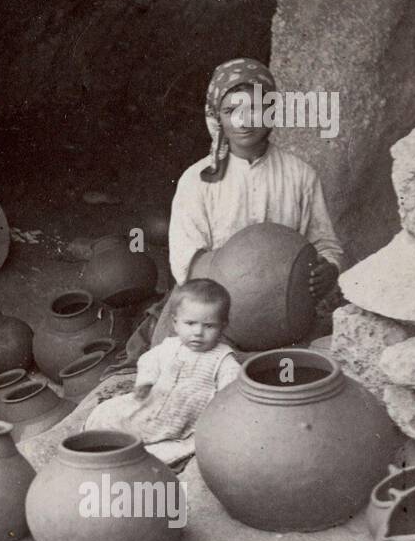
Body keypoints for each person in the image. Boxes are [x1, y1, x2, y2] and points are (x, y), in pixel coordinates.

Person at [120, 58, 347, 361]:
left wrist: (328, 268)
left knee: (314, 368)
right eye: (231, 111)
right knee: (185, 371)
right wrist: (239, 294)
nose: (244, 121)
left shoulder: (300, 174)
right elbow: (186, 260)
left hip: (284, 309)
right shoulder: (197, 179)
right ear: (216, 116)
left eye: (254, 109)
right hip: (212, 310)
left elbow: (325, 243)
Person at [85, 279, 241, 468]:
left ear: (223, 327)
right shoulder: (169, 346)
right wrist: (145, 382)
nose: (198, 332)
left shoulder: (223, 359)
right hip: (154, 404)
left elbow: (231, 391)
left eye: (209, 326)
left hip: (185, 421)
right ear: (176, 323)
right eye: (190, 323)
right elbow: (149, 361)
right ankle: (114, 441)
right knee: (108, 414)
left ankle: (141, 452)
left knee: (180, 446)